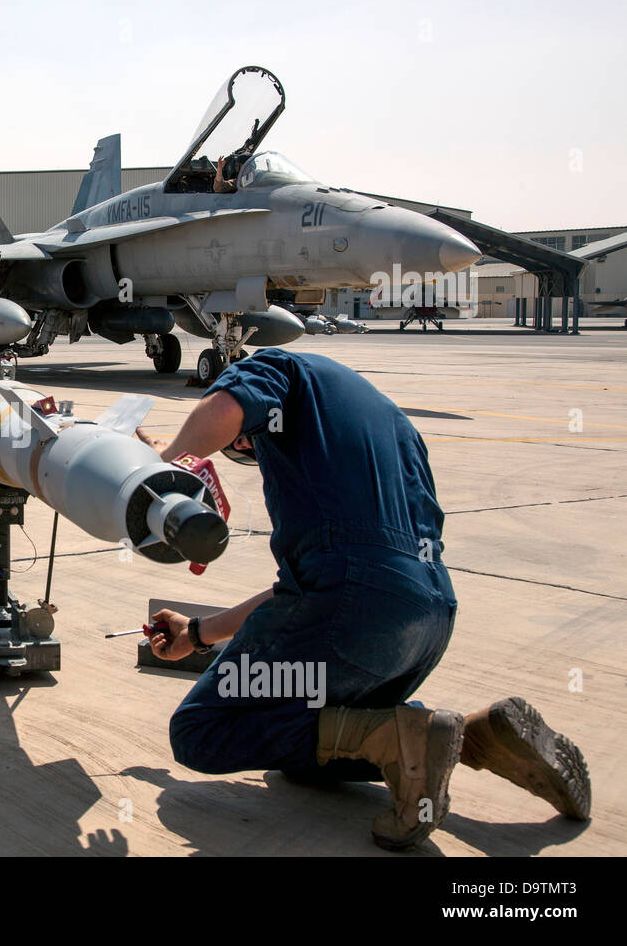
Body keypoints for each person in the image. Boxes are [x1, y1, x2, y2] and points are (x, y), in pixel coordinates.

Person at [136, 348, 590, 849]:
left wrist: (162, 460)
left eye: (249, 448)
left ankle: (403, 737)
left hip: (350, 613)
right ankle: (467, 737)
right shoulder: (392, 427)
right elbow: (305, 590)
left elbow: (226, 406)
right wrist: (197, 634)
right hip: (427, 617)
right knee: (305, 755)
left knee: (202, 730)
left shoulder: (280, 368)